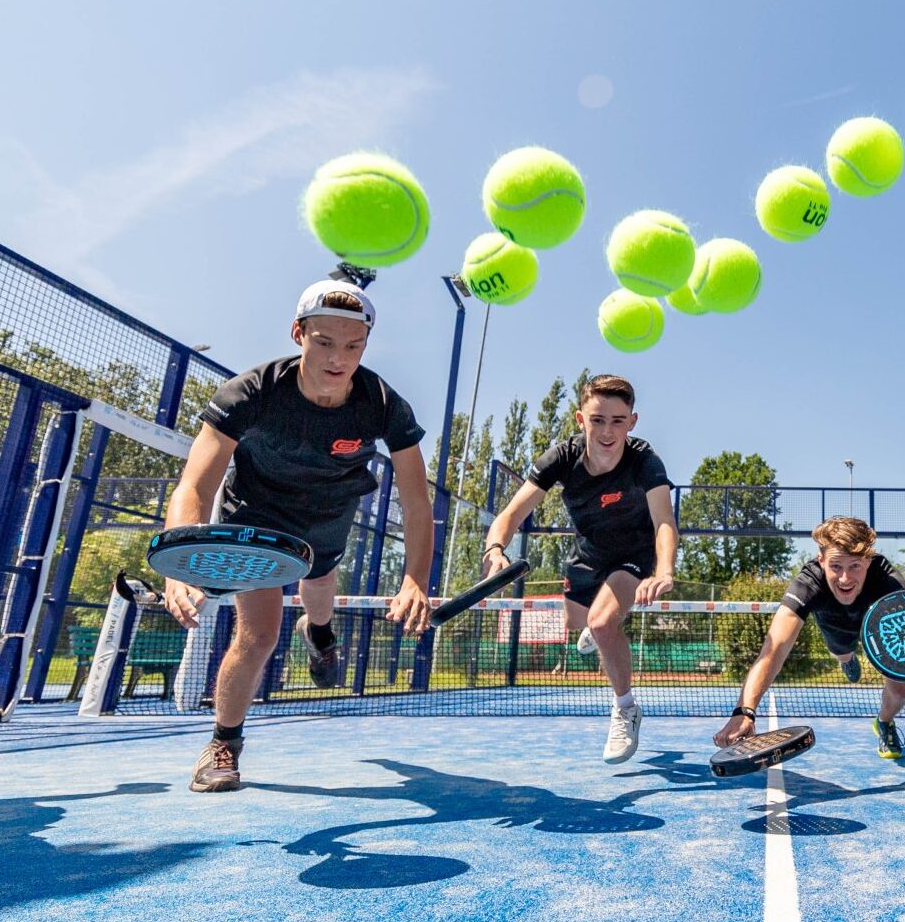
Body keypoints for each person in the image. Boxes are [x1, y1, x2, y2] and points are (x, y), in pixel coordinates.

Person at [158, 276, 434, 793]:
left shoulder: (381, 403)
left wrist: (415, 580)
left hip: (329, 516)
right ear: (298, 333)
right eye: (324, 342)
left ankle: (319, 632)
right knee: (258, 634)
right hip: (256, 518)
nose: (338, 358)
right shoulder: (251, 392)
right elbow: (195, 484)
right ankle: (224, 744)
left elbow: (418, 504)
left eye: (353, 346)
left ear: (366, 346)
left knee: (319, 591)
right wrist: (181, 561)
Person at [481, 375, 678, 763]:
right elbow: (511, 512)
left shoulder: (644, 461)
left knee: (604, 624)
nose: (607, 431)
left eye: (618, 421)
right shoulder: (561, 459)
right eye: (597, 419)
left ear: (633, 421)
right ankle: (596, 630)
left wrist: (664, 570)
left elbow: (665, 522)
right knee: (577, 624)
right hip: (588, 554)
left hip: (634, 553)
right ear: (580, 418)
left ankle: (625, 707)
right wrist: (495, 548)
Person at [713, 516, 905, 760]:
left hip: (880, 630)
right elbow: (772, 650)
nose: (844, 578)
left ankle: (884, 723)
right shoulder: (807, 584)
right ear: (821, 561)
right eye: (836, 566)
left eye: (854, 566)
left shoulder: (889, 584)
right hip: (835, 630)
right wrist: (744, 711)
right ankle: (847, 660)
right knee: (843, 653)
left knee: (900, 691)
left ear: (868, 559)